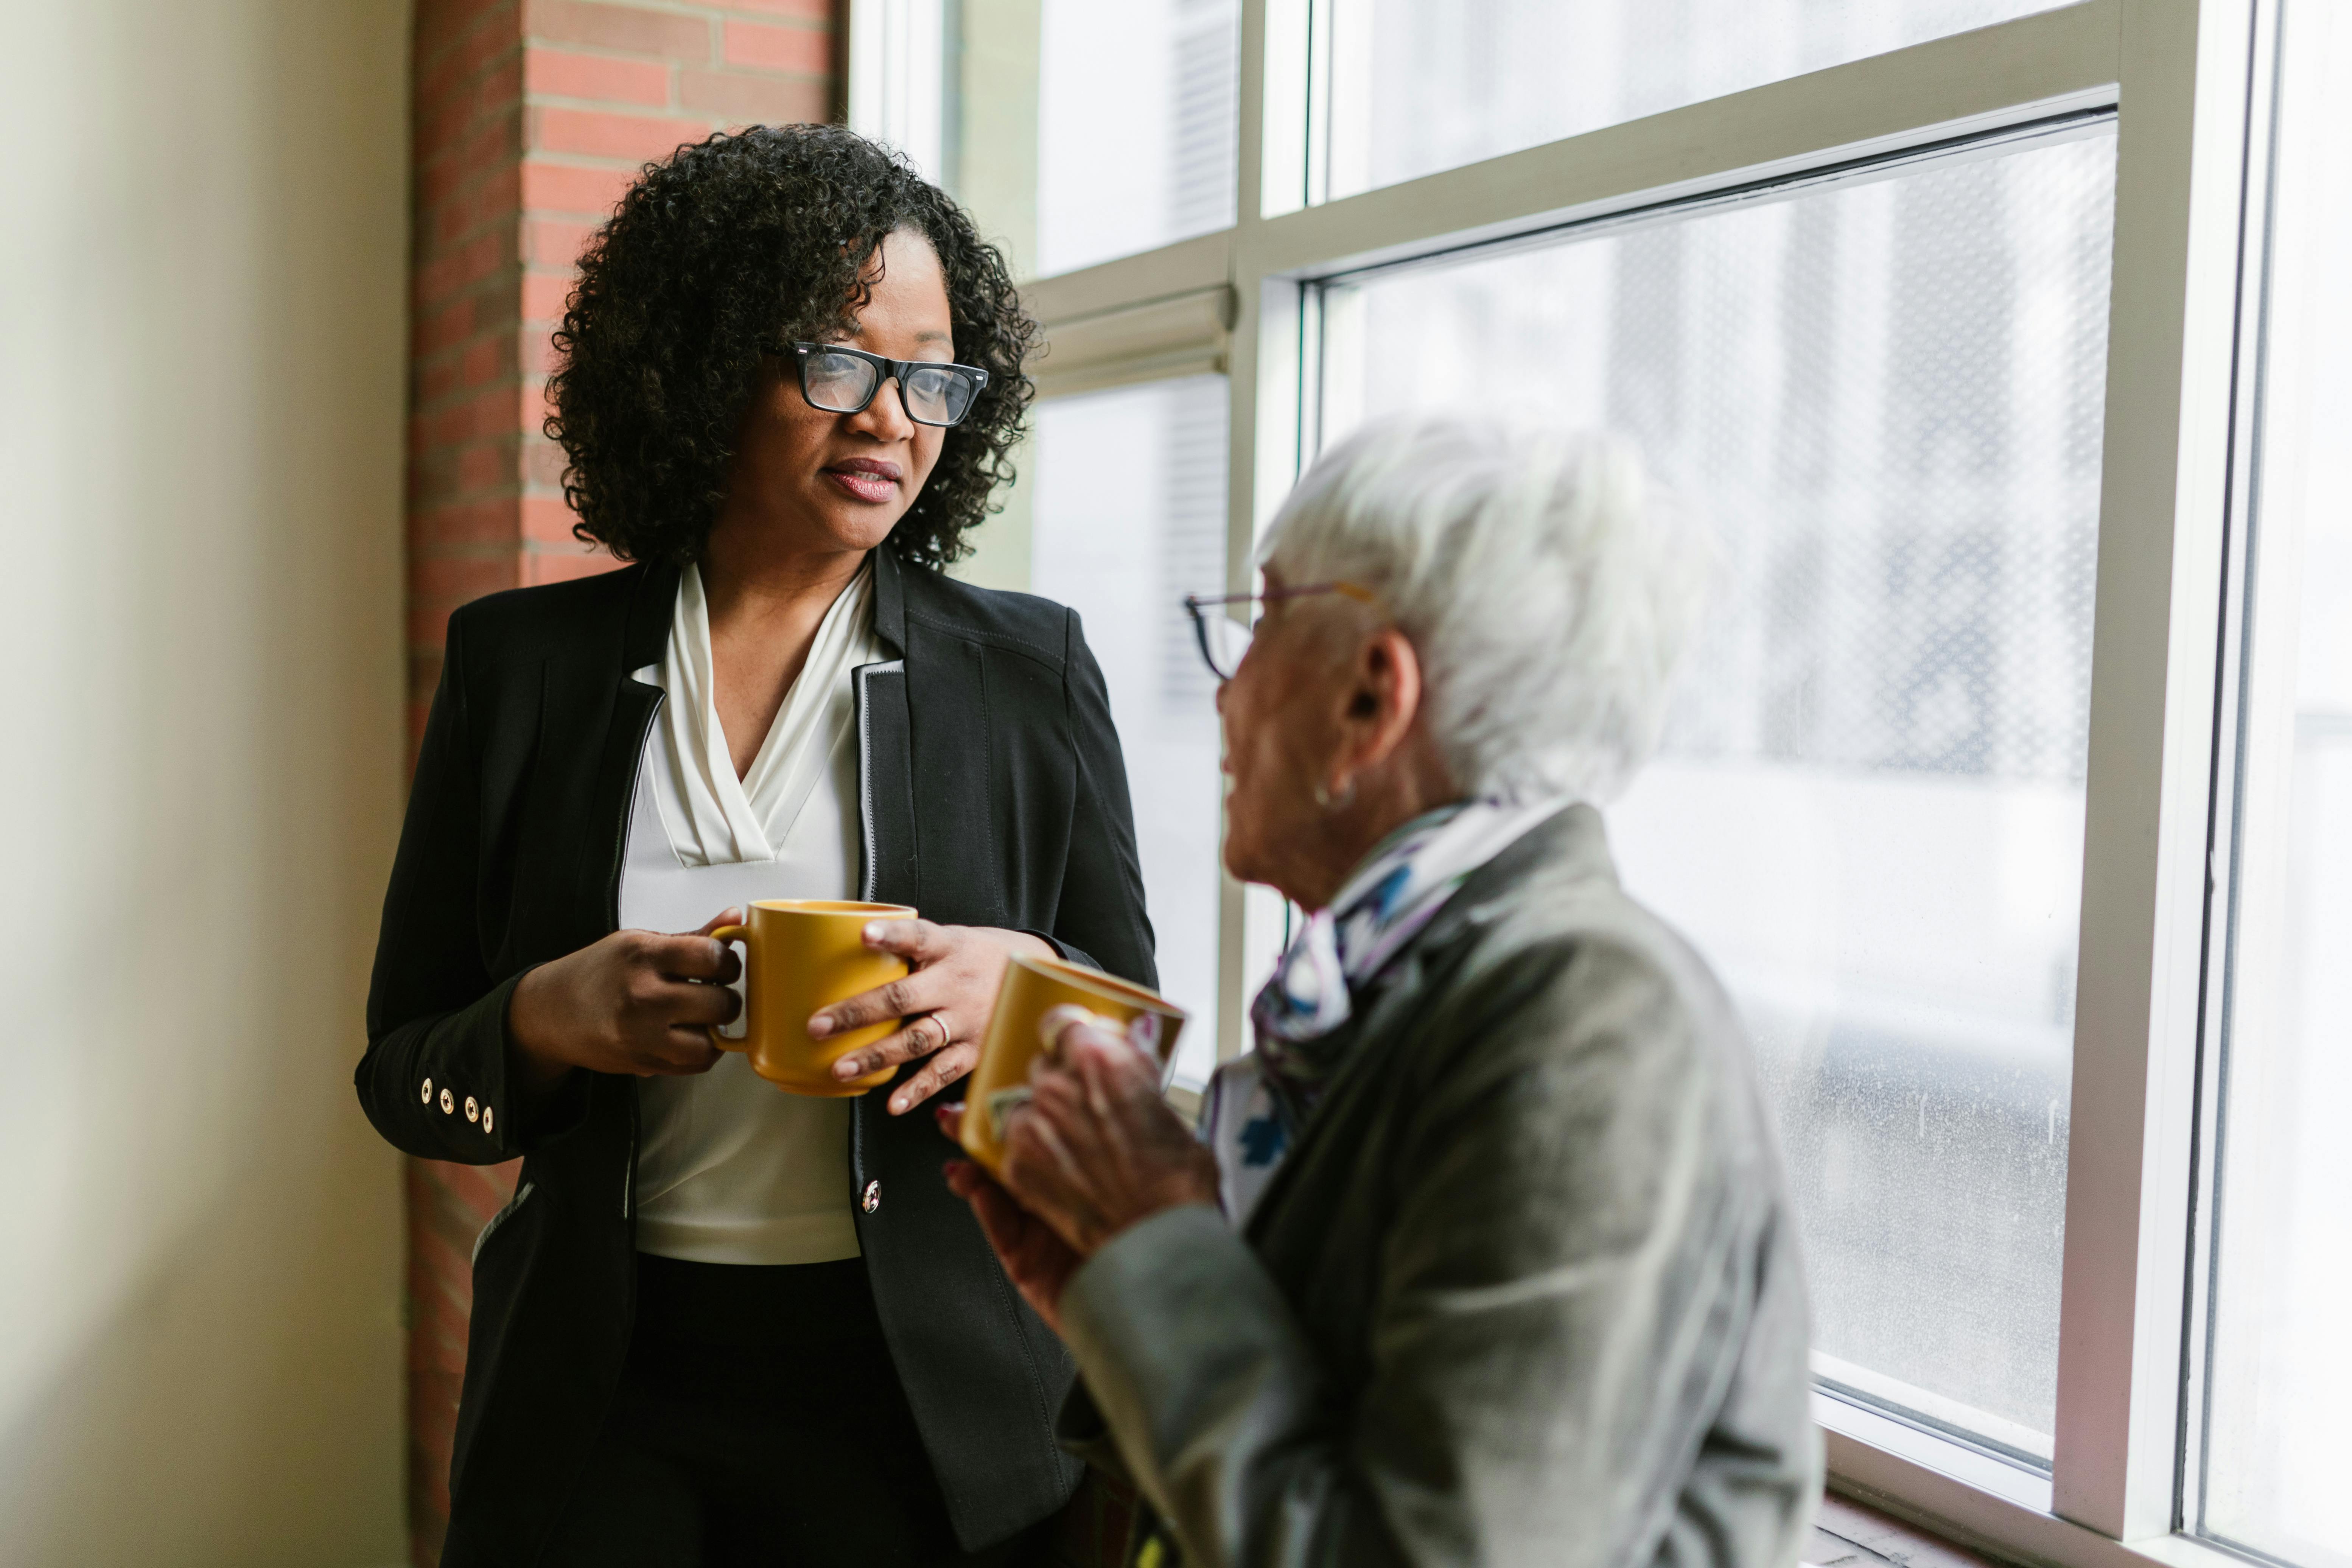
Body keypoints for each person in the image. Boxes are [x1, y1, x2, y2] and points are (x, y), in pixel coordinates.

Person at [358, 125, 1153, 1568]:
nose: (893, 421)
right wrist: (546, 1018)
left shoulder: (1025, 668)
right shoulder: (519, 666)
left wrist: (1022, 987)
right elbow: (404, 1071)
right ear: (709, 360)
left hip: (932, 1411)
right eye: (840, 364)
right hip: (597, 1402)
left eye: (933, 378)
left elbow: (1135, 1052)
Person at [945, 416, 1822, 1568]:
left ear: (1371, 697)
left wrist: (1156, 1240)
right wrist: (1113, 1287)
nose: (1225, 695)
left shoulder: (1594, 1018)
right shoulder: (1417, 985)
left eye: (1259, 623)